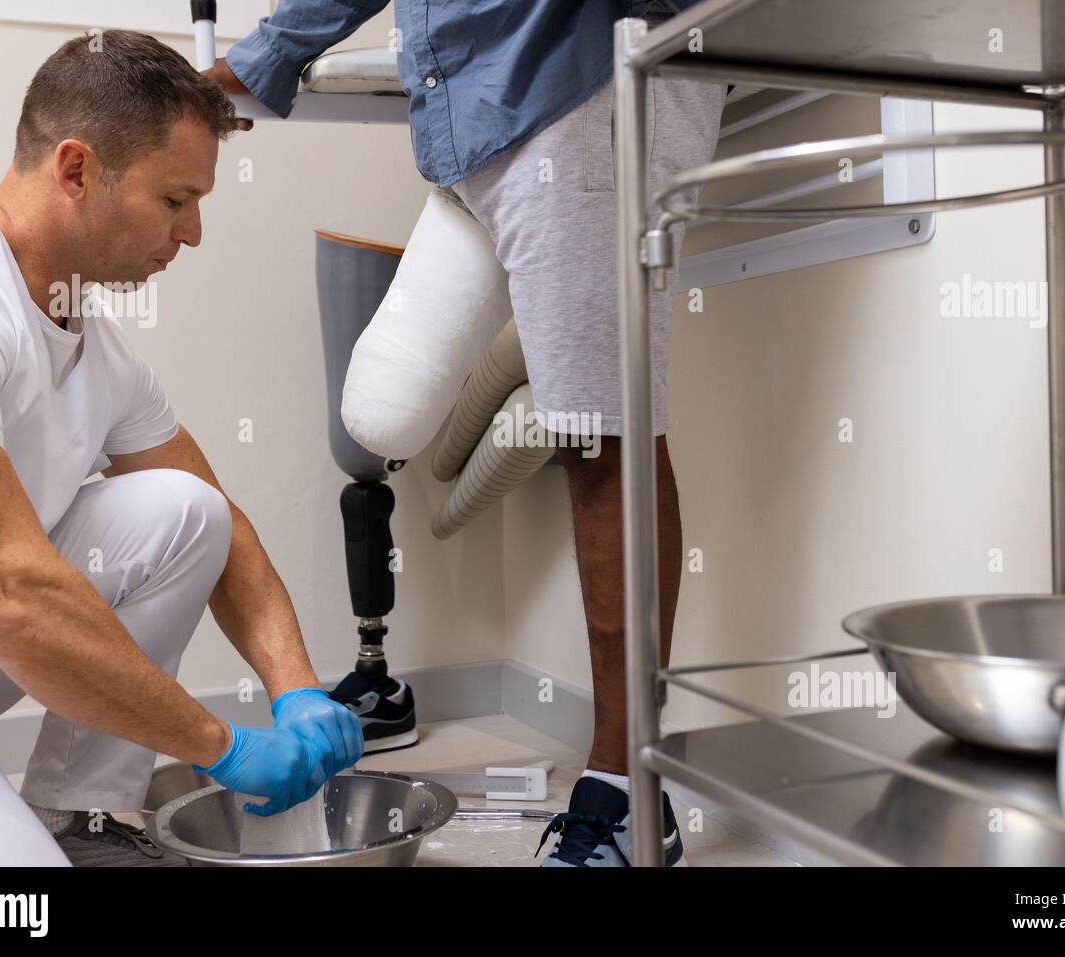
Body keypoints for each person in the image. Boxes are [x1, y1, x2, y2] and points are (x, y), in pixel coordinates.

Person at [209, 0, 725, 866]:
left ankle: (628, 786)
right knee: (381, 412)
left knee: (601, 436)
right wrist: (264, 56)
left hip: (577, 83)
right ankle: (383, 675)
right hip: (472, 116)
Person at [0, 30, 363, 867]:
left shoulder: (91, 337)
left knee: (186, 512)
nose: (191, 236)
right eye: (176, 200)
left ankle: (80, 812)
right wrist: (219, 742)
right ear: (75, 170)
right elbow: (6, 592)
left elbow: (222, 527)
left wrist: (295, 685)